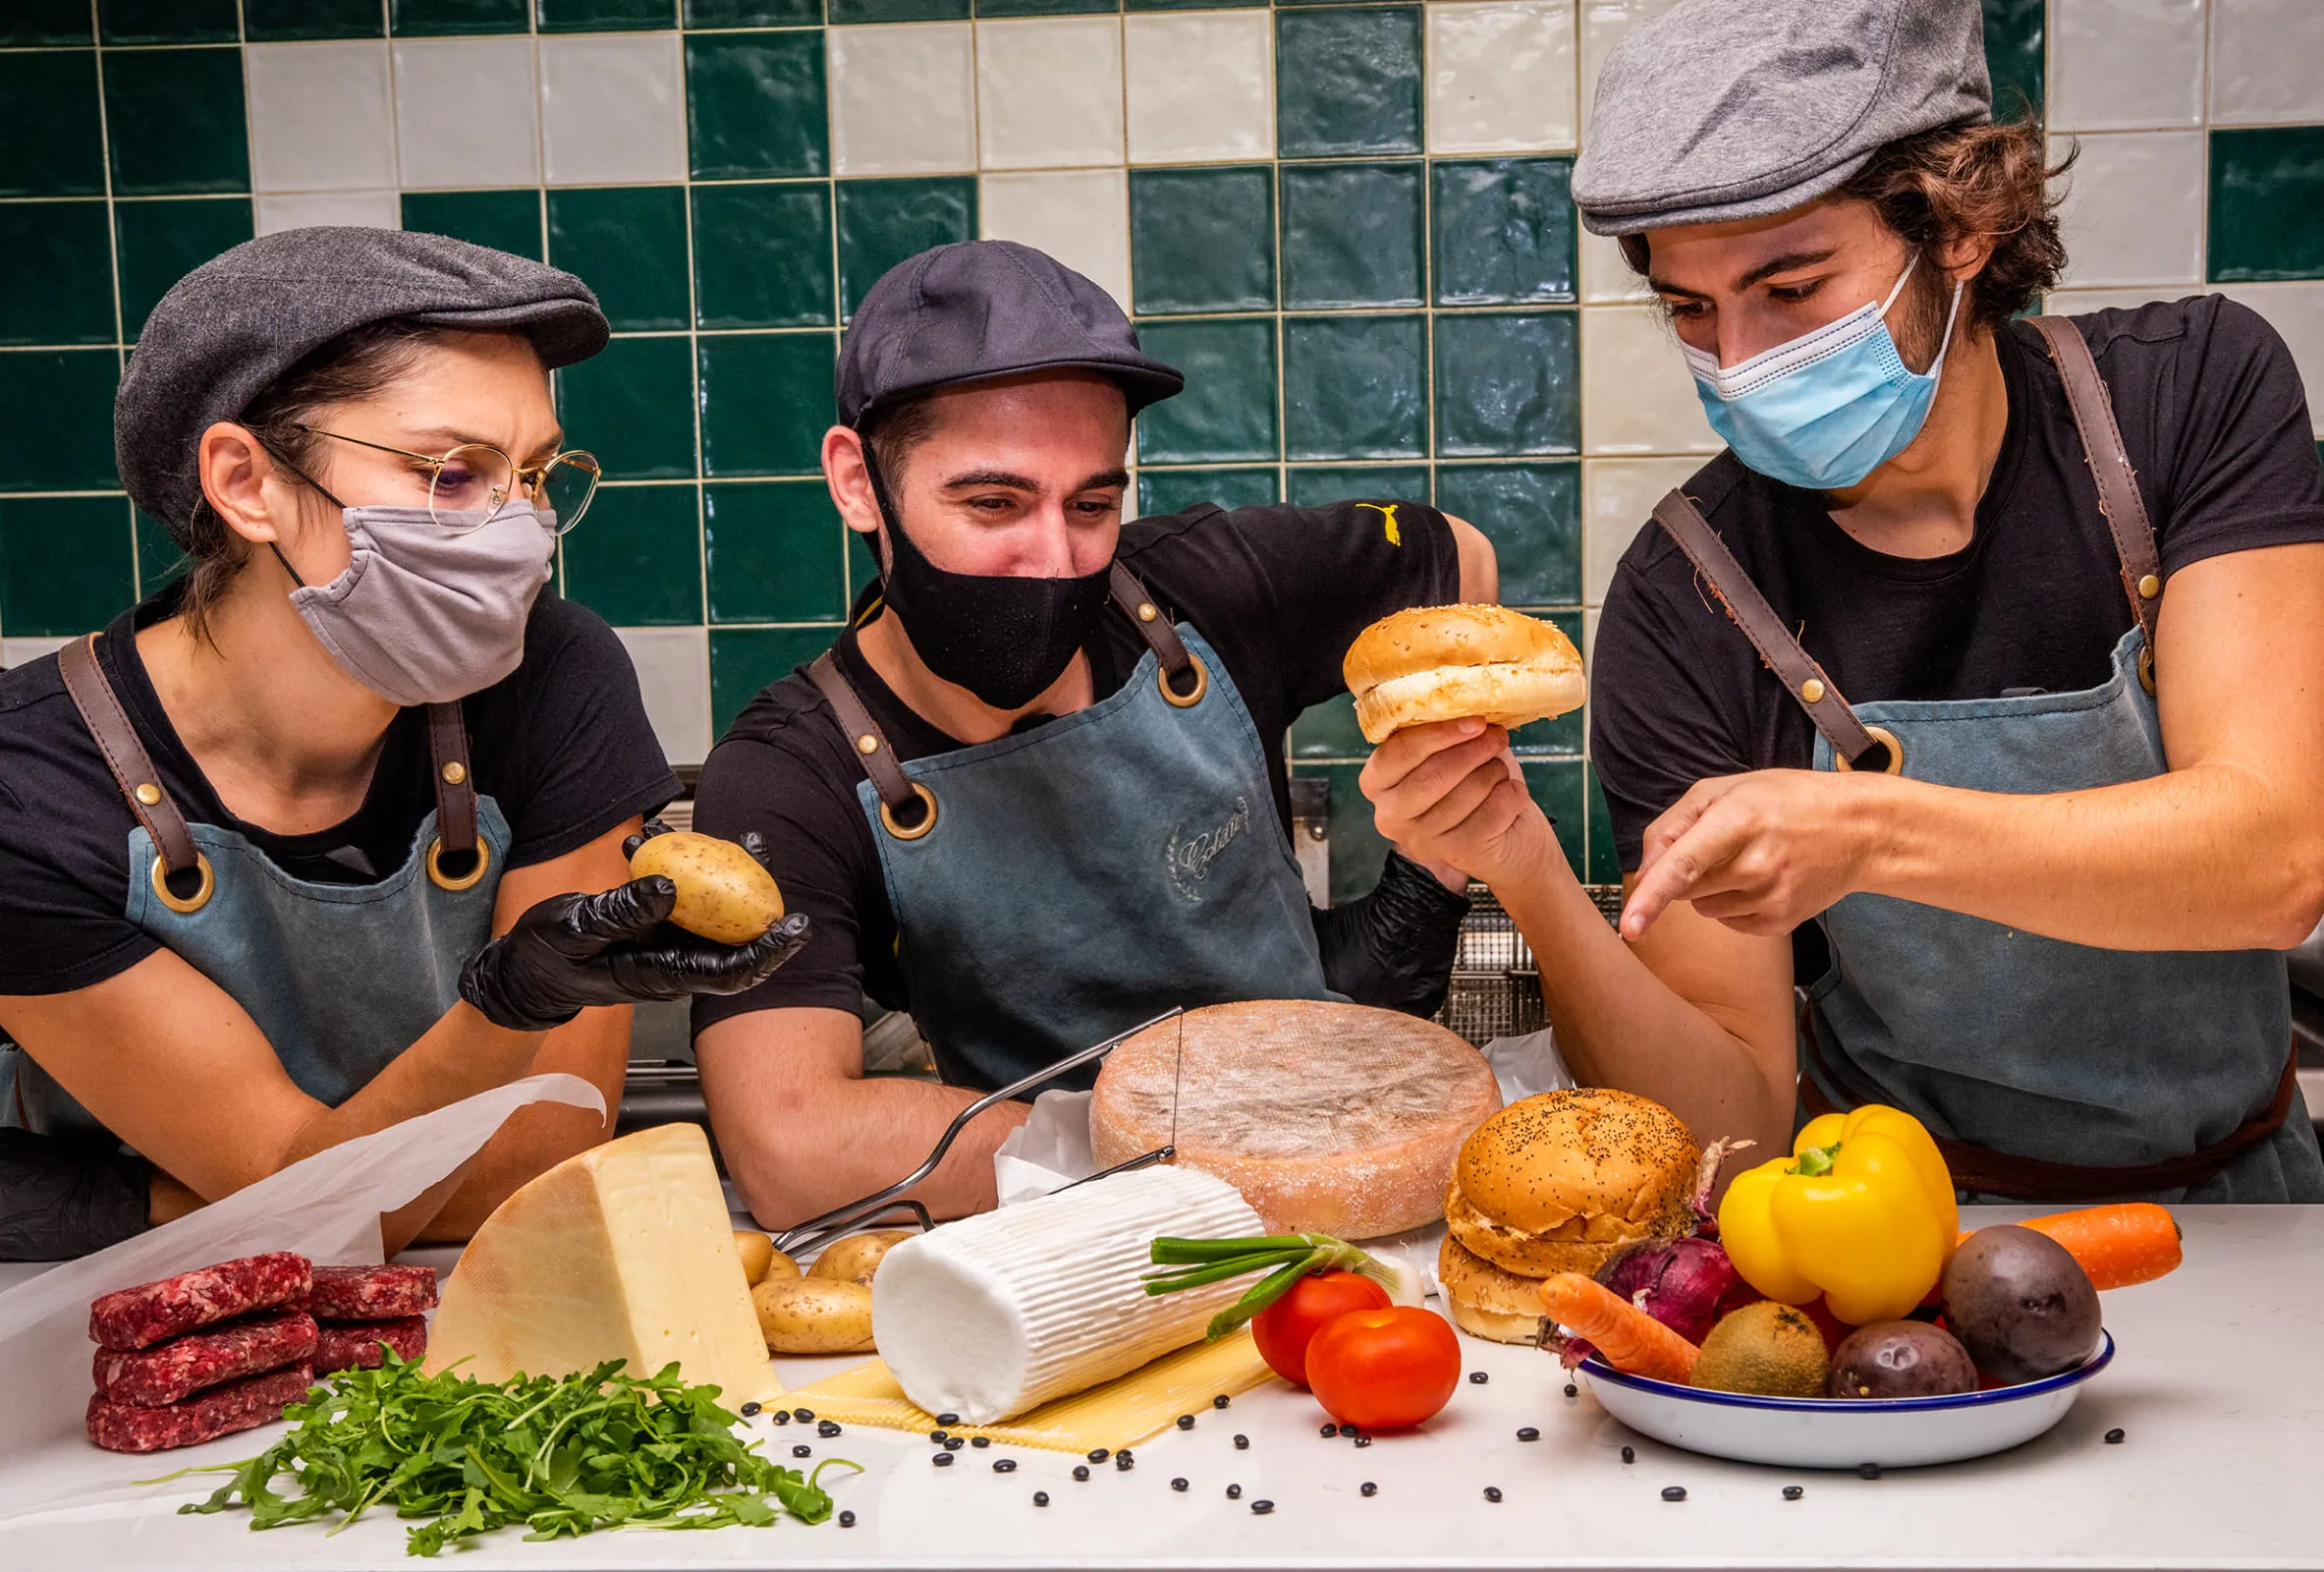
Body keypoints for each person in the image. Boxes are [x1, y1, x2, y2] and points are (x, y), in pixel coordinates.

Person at [1361, 0, 2324, 1201]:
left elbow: (2273, 861)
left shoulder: (2187, 399)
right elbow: (1730, 1125)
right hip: (1886, 1222)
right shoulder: (1686, 594)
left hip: (2250, 1206)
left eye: (1790, 287)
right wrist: (1525, 871)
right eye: (1689, 310)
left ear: (1960, 227)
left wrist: (1867, 834)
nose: (1738, 362)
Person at [0, 229, 806, 1259]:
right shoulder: (30, 796)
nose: (518, 529)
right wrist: (506, 1010)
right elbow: (311, 1221)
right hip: (125, 1305)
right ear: (247, 481)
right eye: (453, 473)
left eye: (533, 476)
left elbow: (546, 1164)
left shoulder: (557, 677)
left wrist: (185, 1193)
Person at [692, 241, 1498, 1229]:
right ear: (858, 482)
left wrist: (1428, 874)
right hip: (1059, 1236)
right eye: (992, 503)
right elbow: (789, 1149)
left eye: (1092, 503)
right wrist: (1165, 1161)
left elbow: (1459, 562)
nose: (1051, 557)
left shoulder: (1213, 585)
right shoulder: (790, 774)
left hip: (1346, 1183)